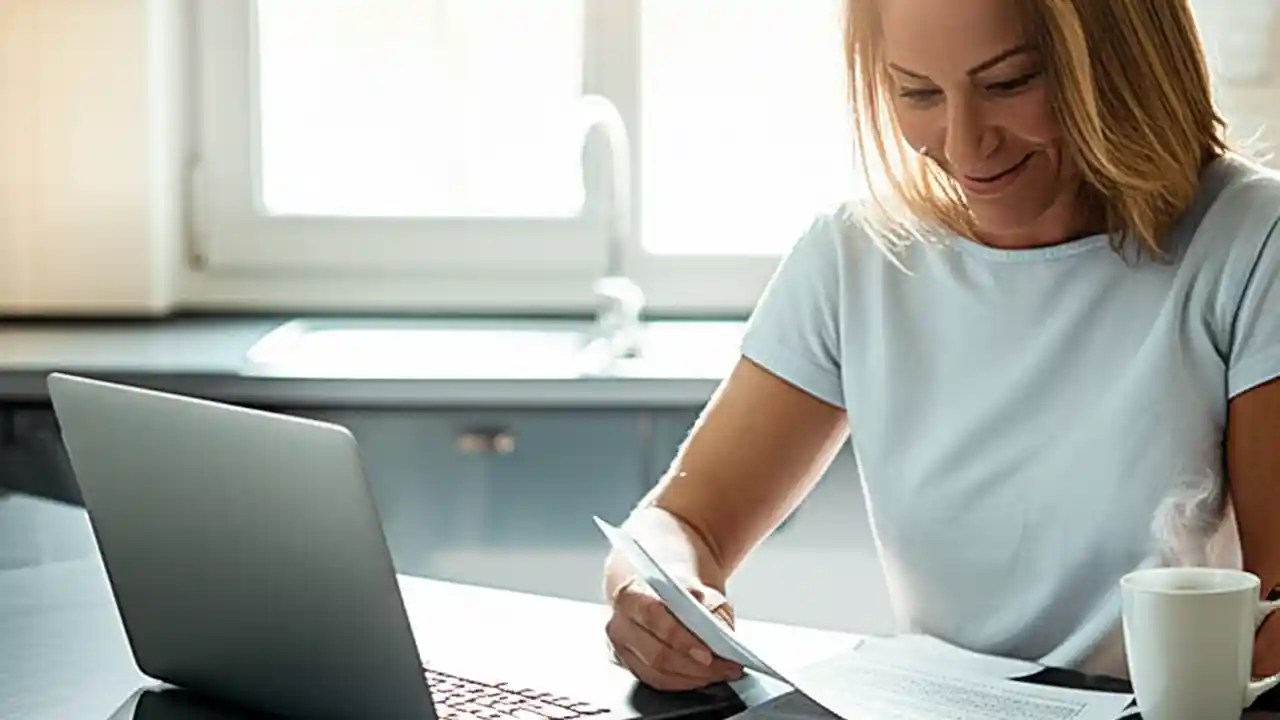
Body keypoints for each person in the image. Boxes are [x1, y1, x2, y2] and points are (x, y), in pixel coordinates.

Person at [602, 0, 1280, 691]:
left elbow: (1275, 624)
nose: (962, 144)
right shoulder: (855, 256)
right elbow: (679, 524)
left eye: (1011, 83)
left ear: (1122, 61)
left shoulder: (1252, 242)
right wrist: (652, 596)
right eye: (917, 92)